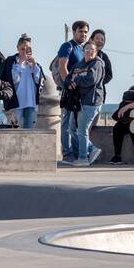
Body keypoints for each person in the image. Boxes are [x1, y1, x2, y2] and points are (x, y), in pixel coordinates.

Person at [53, 21, 90, 162]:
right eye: (81, 31)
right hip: (69, 90)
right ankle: (67, 153)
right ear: (74, 32)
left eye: (86, 32)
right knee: (66, 122)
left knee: (75, 123)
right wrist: (67, 84)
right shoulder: (67, 46)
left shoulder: (83, 48)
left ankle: (76, 152)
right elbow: (63, 67)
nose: (84, 34)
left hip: (78, 91)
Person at [67, 40, 107, 166]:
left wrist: (77, 80)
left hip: (91, 101)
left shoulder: (97, 64)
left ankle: (83, 158)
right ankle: (92, 149)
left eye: (92, 50)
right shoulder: (79, 64)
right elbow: (69, 77)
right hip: (79, 101)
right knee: (72, 128)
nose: (89, 52)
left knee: (82, 130)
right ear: (83, 51)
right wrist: (69, 82)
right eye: (87, 49)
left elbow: (91, 80)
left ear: (96, 52)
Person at [1, 35, 44, 129]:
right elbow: (14, 80)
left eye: (28, 49)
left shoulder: (34, 64)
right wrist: (20, 63)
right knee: (15, 132)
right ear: (18, 49)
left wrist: (34, 67)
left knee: (29, 132)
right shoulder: (12, 62)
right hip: (17, 104)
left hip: (31, 103)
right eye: (22, 49)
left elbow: (38, 81)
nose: (25, 51)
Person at [90, 30, 113, 116]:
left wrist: (98, 83)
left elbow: (109, 75)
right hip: (83, 94)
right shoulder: (83, 53)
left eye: (102, 39)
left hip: (99, 94)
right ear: (91, 40)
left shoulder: (104, 56)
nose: (100, 41)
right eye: (97, 38)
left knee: (95, 120)